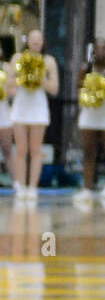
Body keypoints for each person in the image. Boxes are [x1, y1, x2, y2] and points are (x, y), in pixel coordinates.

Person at [5, 28, 58, 204]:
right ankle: (20, 186)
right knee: (20, 150)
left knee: (36, 151)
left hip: (38, 108)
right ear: (27, 41)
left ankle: (33, 187)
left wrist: (39, 78)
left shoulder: (48, 61)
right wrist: (25, 77)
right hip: (20, 106)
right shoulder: (17, 58)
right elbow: (8, 83)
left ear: (43, 42)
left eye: (39, 39)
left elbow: (54, 88)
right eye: (33, 39)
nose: (36, 42)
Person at [74, 37, 105, 206]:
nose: (101, 52)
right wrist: (90, 94)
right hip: (89, 115)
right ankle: (87, 189)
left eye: (104, 49)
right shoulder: (85, 69)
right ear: (92, 51)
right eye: (98, 49)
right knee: (88, 153)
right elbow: (78, 90)